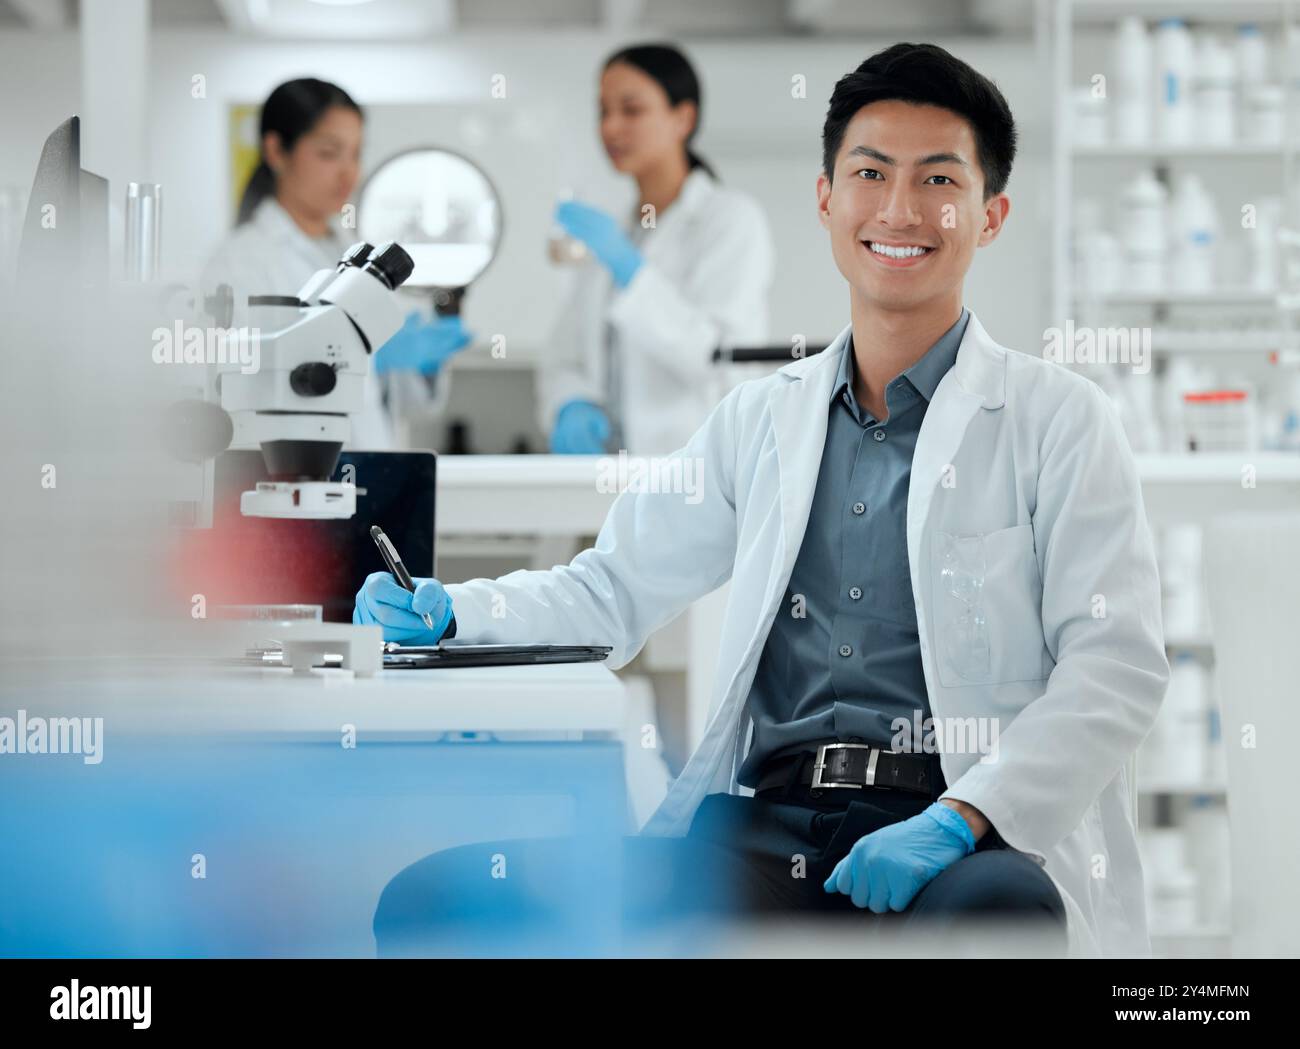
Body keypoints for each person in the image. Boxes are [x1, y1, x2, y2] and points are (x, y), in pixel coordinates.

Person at [356, 43, 1170, 959]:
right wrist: (454, 610)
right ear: (826, 199)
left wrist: (961, 815)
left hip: (964, 837)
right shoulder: (758, 420)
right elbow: (612, 589)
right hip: (760, 834)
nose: (899, 209)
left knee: (1001, 923)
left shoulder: (1059, 419)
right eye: (870, 173)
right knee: (435, 899)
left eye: (938, 179)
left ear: (991, 215)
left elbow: (1116, 667)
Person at [201, 78, 471, 450]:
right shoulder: (241, 262)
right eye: (330, 153)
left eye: (356, 154)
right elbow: (237, 388)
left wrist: (421, 364)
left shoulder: (346, 250)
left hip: (367, 475)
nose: (349, 173)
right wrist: (359, 359)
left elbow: (400, 403)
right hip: (293, 476)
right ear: (276, 150)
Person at [543, 44, 775, 455]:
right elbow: (565, 355)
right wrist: (570, 403)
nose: (611, 128)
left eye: (631, 110)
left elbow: (711, 357)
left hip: (696, 475)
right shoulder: (614, 233)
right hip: (607, 480)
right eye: (603, 111)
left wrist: (632, 273)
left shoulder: (729, 219)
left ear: (683, 118)